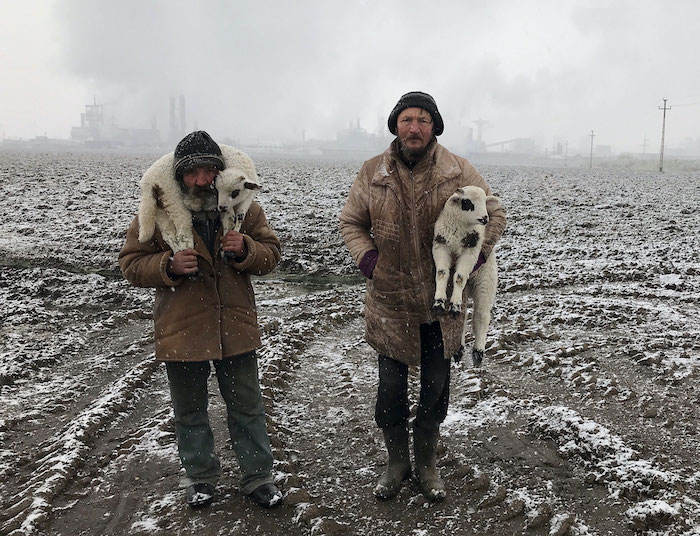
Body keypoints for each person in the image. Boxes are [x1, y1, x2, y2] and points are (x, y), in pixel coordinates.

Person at [339, 92, 506, 501]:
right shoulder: (372, 172)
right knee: (390, 391)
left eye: (423, 121)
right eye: (407, 119)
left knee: (435, 389)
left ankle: (427, 463)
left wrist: (477, 253)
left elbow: (496, 212)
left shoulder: (458, 171)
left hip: (441, 305)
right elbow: (351, 222)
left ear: (434, 127)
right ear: (396, 125)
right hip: (390, 300)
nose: (414, 127)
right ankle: (397, 463)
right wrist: (369, 261)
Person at [119, 131, 283, 509]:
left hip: (235, 326)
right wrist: (167, 266)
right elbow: (129, 262)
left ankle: (258, 477)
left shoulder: (244, 205)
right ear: (179, 175)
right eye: (192, 172)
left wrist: (247, 249)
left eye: (209, 171)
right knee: (189, 411)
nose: (201, 180)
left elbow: (272, 253)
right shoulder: (157, 211)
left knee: (247, 406)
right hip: (182, 327)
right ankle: (200, 477)